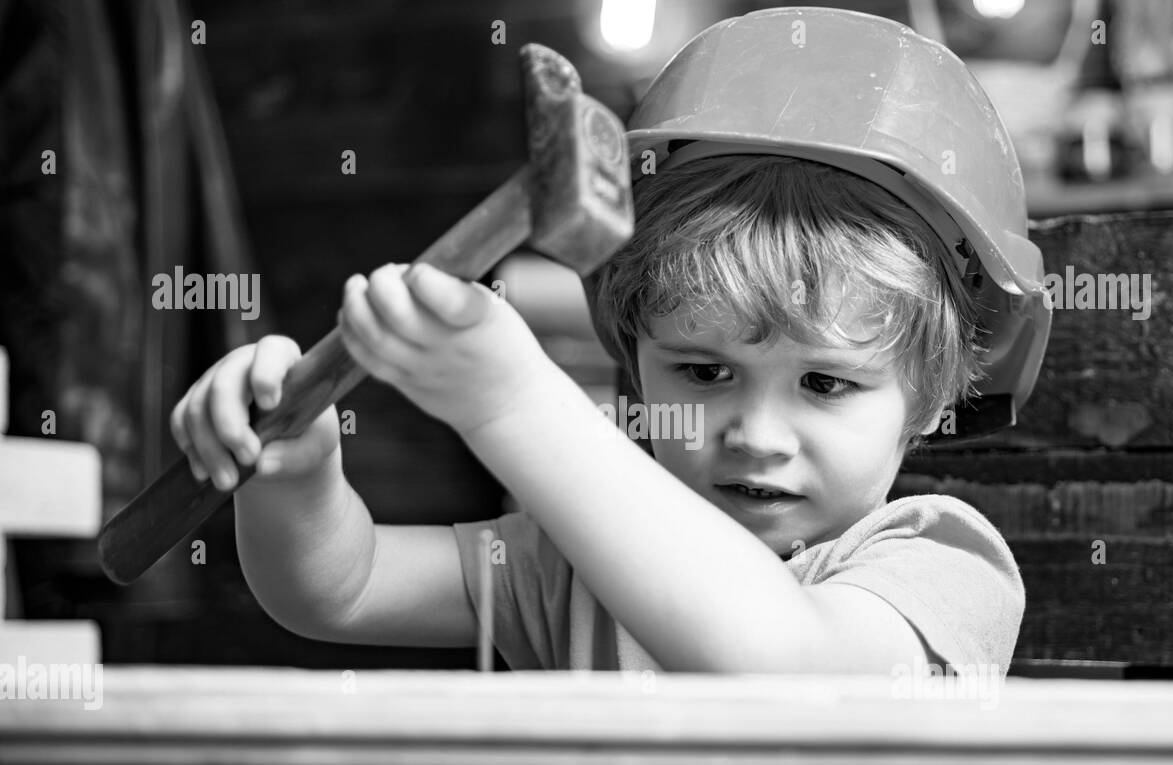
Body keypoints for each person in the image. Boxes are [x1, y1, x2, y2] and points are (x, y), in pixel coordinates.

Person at [171, 8, 1051, 675]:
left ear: (934, 397)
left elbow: (786, 670)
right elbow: (341, 587)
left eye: (824, 384)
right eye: (705, 370)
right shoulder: (574, 563)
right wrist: (295, 472)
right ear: (635, 364)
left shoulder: (938, 565)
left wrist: (514, 403)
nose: (755, 433)